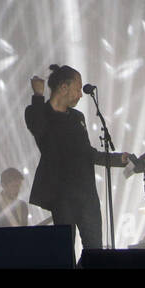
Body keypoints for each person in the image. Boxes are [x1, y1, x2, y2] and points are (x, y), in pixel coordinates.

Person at [25, 64, 132, 254]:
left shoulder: (77, 117)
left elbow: (87, 153)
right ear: (63, 88)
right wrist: (38, 95)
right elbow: (38, 127)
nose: (80, 94)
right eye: (77, 88)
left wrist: (118, 159)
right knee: (64, 252)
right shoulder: (39, 112)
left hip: (87, 195)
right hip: (61, 195)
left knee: (95, 252)